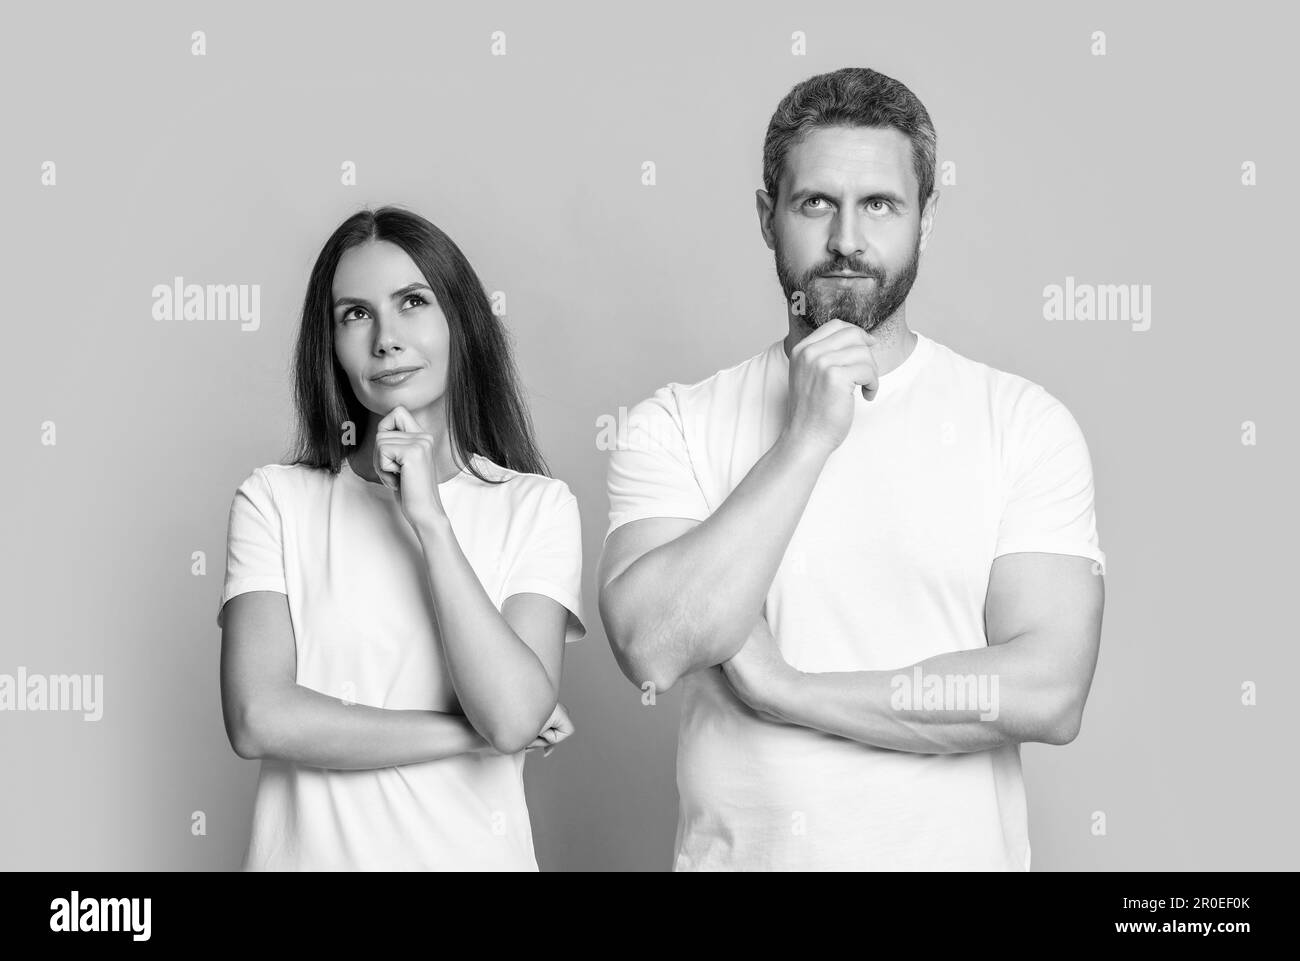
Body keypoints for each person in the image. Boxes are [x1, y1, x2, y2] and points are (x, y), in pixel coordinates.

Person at [598, 67, 1106, 871]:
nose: (845, 238)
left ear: (926, 217)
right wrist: (806, 439)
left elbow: (1047, 690)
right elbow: (655, 644)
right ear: (767, 216)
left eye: (879, 204)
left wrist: (789, 690)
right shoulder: (675, 424)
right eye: (814, 203)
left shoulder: (1021, 423)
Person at [217, 206, 586, 871]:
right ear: (329, 345)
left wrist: (430, 522)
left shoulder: (537, 506)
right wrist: (464, 736)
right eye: (355, 314)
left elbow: (509, 717)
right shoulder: (275, 499)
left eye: (413, 302)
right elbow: (258, 716)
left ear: (460, 321)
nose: (385, 338)